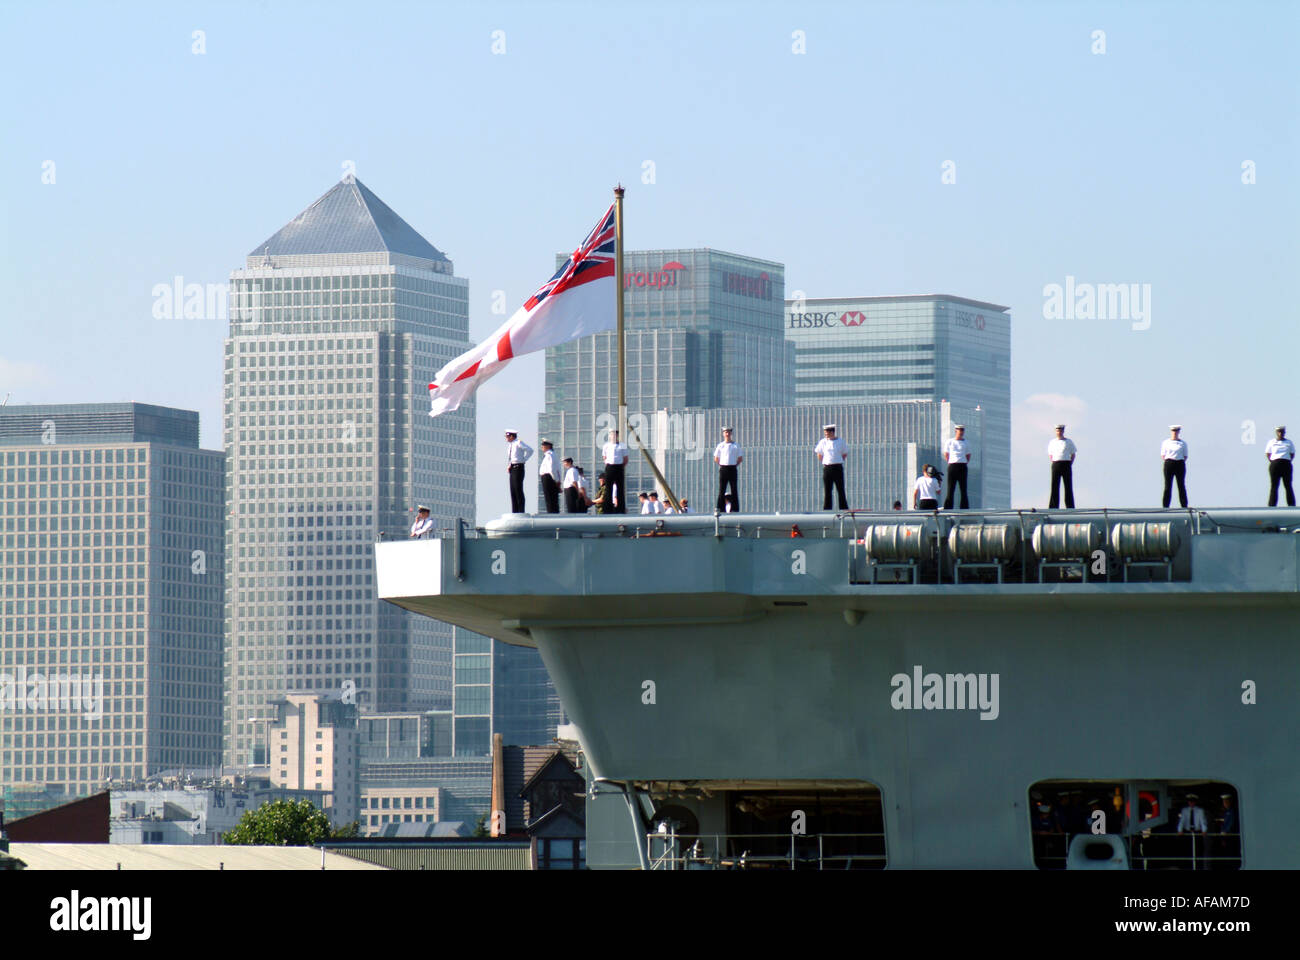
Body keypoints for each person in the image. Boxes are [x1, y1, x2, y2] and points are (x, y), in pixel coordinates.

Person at [815, 423, 849, 511]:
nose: (826, 434)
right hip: (827, 468)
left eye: (827, 432)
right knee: (827, 490)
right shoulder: (823, 442)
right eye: (825, 433)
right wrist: (825, 462)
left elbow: (844, 453)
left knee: (840, 489)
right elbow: (819, 454)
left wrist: (837, 460)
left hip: (837, 467)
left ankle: (844, 508)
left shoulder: (840, 441)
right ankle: (827, 509)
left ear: (832, 432)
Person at [1157, 425, 1189, 508]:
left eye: (1176, 431)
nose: (1175, 433)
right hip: (1169, 463)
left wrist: (1178, 460)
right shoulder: (1165, 442)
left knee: (1181, 485)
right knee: (1168, 485)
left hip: (1179, 463)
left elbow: (1185, 456)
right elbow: (1163, 455)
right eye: (1173, 431)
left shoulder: (1183, 443)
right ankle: (1165, 506)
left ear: (1179, 432)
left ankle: (1184, 505)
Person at [714, 427, 743, 513]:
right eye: (726, 432)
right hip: (723, 468)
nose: (727, 434)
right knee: (721, 489)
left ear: (731, 433)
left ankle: (734, 508)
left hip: (732, 468)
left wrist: (734, 464)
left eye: (729, 432)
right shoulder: (720, 445)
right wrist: (722, 465)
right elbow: (716, 458)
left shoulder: (736, 445)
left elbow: (740, 458)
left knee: (734, 489)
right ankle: (720, 508)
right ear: (723, 434)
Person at [942, 424, 972, 509]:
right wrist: (950, 462)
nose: (961, 432)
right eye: (960, 430)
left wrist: (963, 462)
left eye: (962, 430)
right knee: (950, 489)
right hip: (952, 465)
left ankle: (964, 508)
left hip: (962, 465)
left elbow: (968, 455)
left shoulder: (966, 442)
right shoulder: (950, 441)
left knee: (963, 489)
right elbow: (946, 454)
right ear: (956, 430)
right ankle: (948, 507)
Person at [1047, 424, 1077, 508]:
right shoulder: (1052, 442)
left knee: (1068, 486)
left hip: (1066, 463)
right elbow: (1050, 455)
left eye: (1060, 431)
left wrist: (1069, 463)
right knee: (1054, 486)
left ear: (1063, 431)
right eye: (1057, 431)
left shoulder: (1068, 442)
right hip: (1056, 463)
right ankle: (1053, 506)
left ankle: (1070, 506)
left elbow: (1073, 454)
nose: (1059, 432)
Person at [1177, 793, 1209, 870]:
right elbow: (1182, 821)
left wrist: (1204, 830)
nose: (1191, 803)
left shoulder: (1200, 810)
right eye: (1189, 801)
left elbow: (1203, 821)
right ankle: (1188, 867)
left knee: (1198, 851)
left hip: (1197, 832)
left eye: (1192, 801)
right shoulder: (1184, 810)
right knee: (1187, 851)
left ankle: (1198, 867)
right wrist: (1180, 830)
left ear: (1195, 802)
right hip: (1187, 832)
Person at [1266, 426, 1296, 507]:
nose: (1280, 433)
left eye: (1282, 432)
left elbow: (1292, 454)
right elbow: (1268, 454)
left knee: (1288, 485)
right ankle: (1272, 505)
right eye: (1279, 432)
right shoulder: (1271, 442)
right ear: (1276, 433)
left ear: (1284, 433)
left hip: (1286, 464)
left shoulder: (1289, 442)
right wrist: (1274, 461)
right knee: (1274, 485)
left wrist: (1286, 460)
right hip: (1275, 464)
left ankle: (1291, 505)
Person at [505, 430, 533, 514]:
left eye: (507, 436)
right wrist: (510, 465)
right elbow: (511, 457)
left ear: (511, 436)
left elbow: (530, 450)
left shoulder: (518, 442)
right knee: (513, 490)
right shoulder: (510, 445)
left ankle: (521, 511)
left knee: (518, 489)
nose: (506, 438)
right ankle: (515, 511)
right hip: (513, 467)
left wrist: (524, 459)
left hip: (518, 467)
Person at [601, 429, 629, 514]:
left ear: (617, 436)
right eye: (611, 435)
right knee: (608, 488)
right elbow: (604, 457)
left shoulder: (622, 445)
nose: (613, 436)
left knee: (620, 488)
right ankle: (607, 509)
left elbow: (625, 459)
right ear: (609, 436)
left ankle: (620, 509)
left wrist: (621, 466)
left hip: (619, 467)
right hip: (610, 467)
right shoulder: (606, 446)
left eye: (615, 435)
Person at [538, 440, 560, 514]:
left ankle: (552, 514)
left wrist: (556, 481)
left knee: (550, 499)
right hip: (549, 478)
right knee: (550, 499)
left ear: (548, 446)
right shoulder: (550, 455)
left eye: (543, 446)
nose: (542, 448)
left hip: (549, 478)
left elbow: (552, 469)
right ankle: (551, 512)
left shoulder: (550, 455)